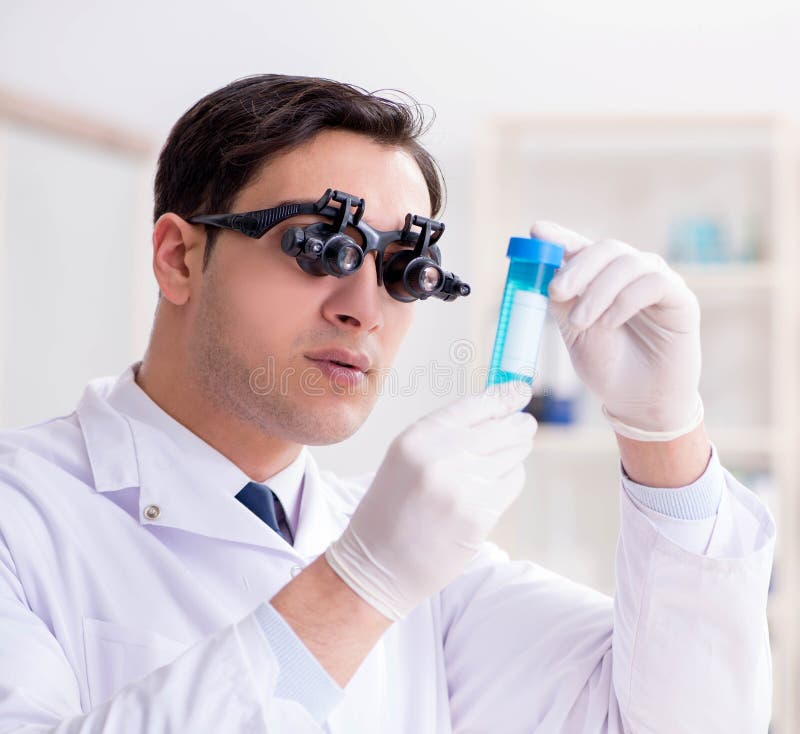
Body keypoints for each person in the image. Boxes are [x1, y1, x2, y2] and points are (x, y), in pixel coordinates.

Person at [0, 74, 774, 734]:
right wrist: (354, 591)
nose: (364, 307)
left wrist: (666, 435)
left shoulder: (421, 564)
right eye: (319, 247)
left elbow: (689, 718)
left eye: (405, 268)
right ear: (178, 258)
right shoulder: (22, 517)